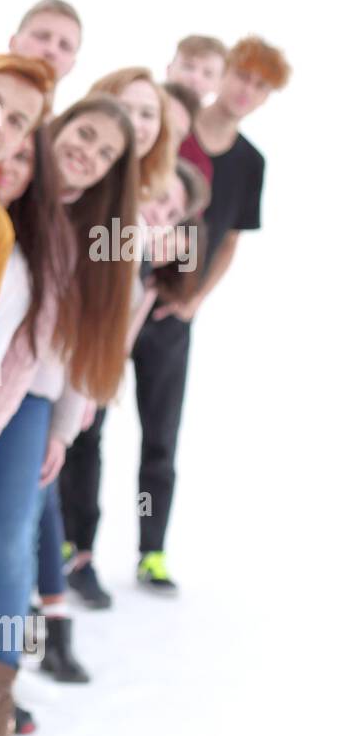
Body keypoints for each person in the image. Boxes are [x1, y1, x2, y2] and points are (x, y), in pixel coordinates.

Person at [0, 94, 139, 736]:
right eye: (84, 134)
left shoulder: (92, 237)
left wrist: (61, 430)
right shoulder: (5, 185)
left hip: (28, 399)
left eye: (106, 152)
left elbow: (83, 349)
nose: (87, 152)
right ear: (59, 129)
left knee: (8, 536)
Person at [129, 36, 289, 593]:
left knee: (160, 436)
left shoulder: (250, 164)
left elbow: (228, 243)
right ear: (223, 76)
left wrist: (194, 301)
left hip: (174, 313)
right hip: (123, 293)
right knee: (82, 427)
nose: (247, 91)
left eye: (261, 86)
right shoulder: (172, 130)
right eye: (242, 77)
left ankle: (151, 550)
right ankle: (74, 541)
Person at [61, 68, 176, 609]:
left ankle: (78, 554)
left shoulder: (158, 193)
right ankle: (64, 555)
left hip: (114, 345)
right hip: (67, 349)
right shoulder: (91, 187)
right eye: (126, 109)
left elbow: (159, 277)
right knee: (68, 446)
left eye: (149, 113)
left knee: (92, 443)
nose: (139, 123)